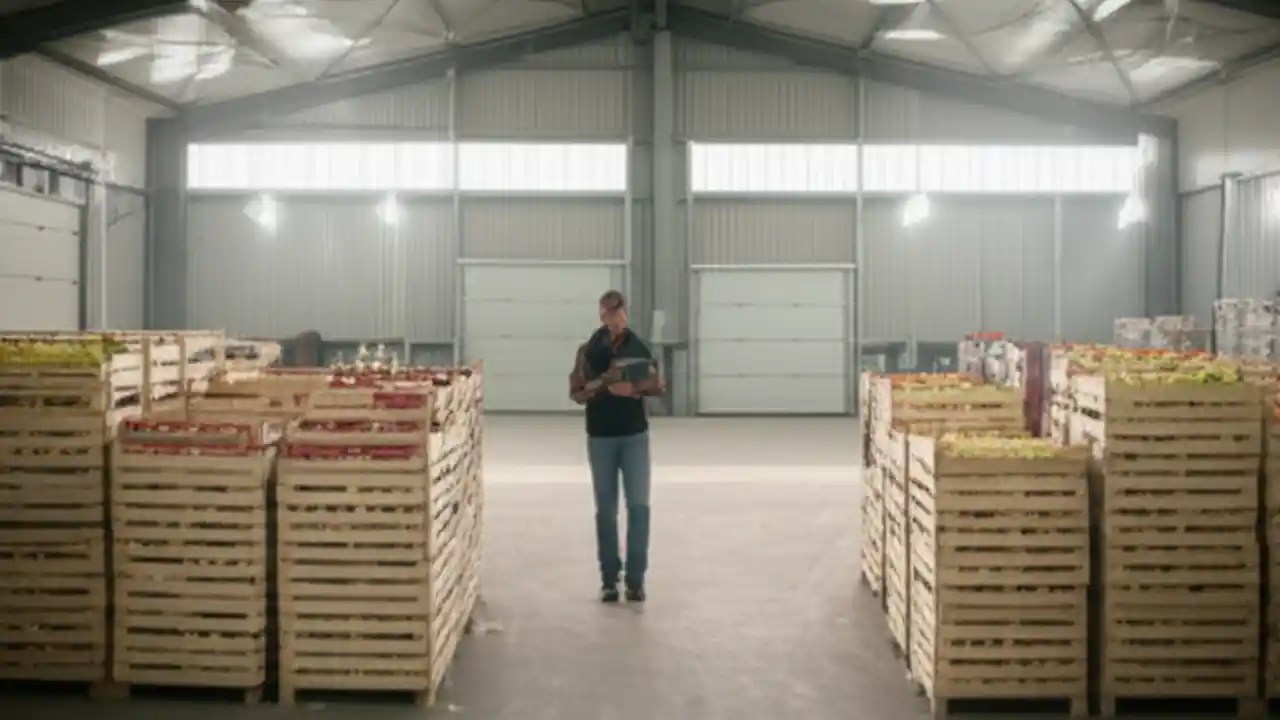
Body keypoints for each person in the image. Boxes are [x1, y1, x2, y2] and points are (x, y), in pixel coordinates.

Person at [569, 290, 663, 603]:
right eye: (609, 312)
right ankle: (609, 580)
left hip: (635, 437)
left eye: (619, 312)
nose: (615, 318)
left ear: (625, 313)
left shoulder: (638, 347)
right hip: (601, 439)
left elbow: (657, 384)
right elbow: (576, 392)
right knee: (606, 512)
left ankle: (636, 580)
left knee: (638, 507)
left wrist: (633, 388)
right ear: (601, 315)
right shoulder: (588, 352)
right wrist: (604, 387)